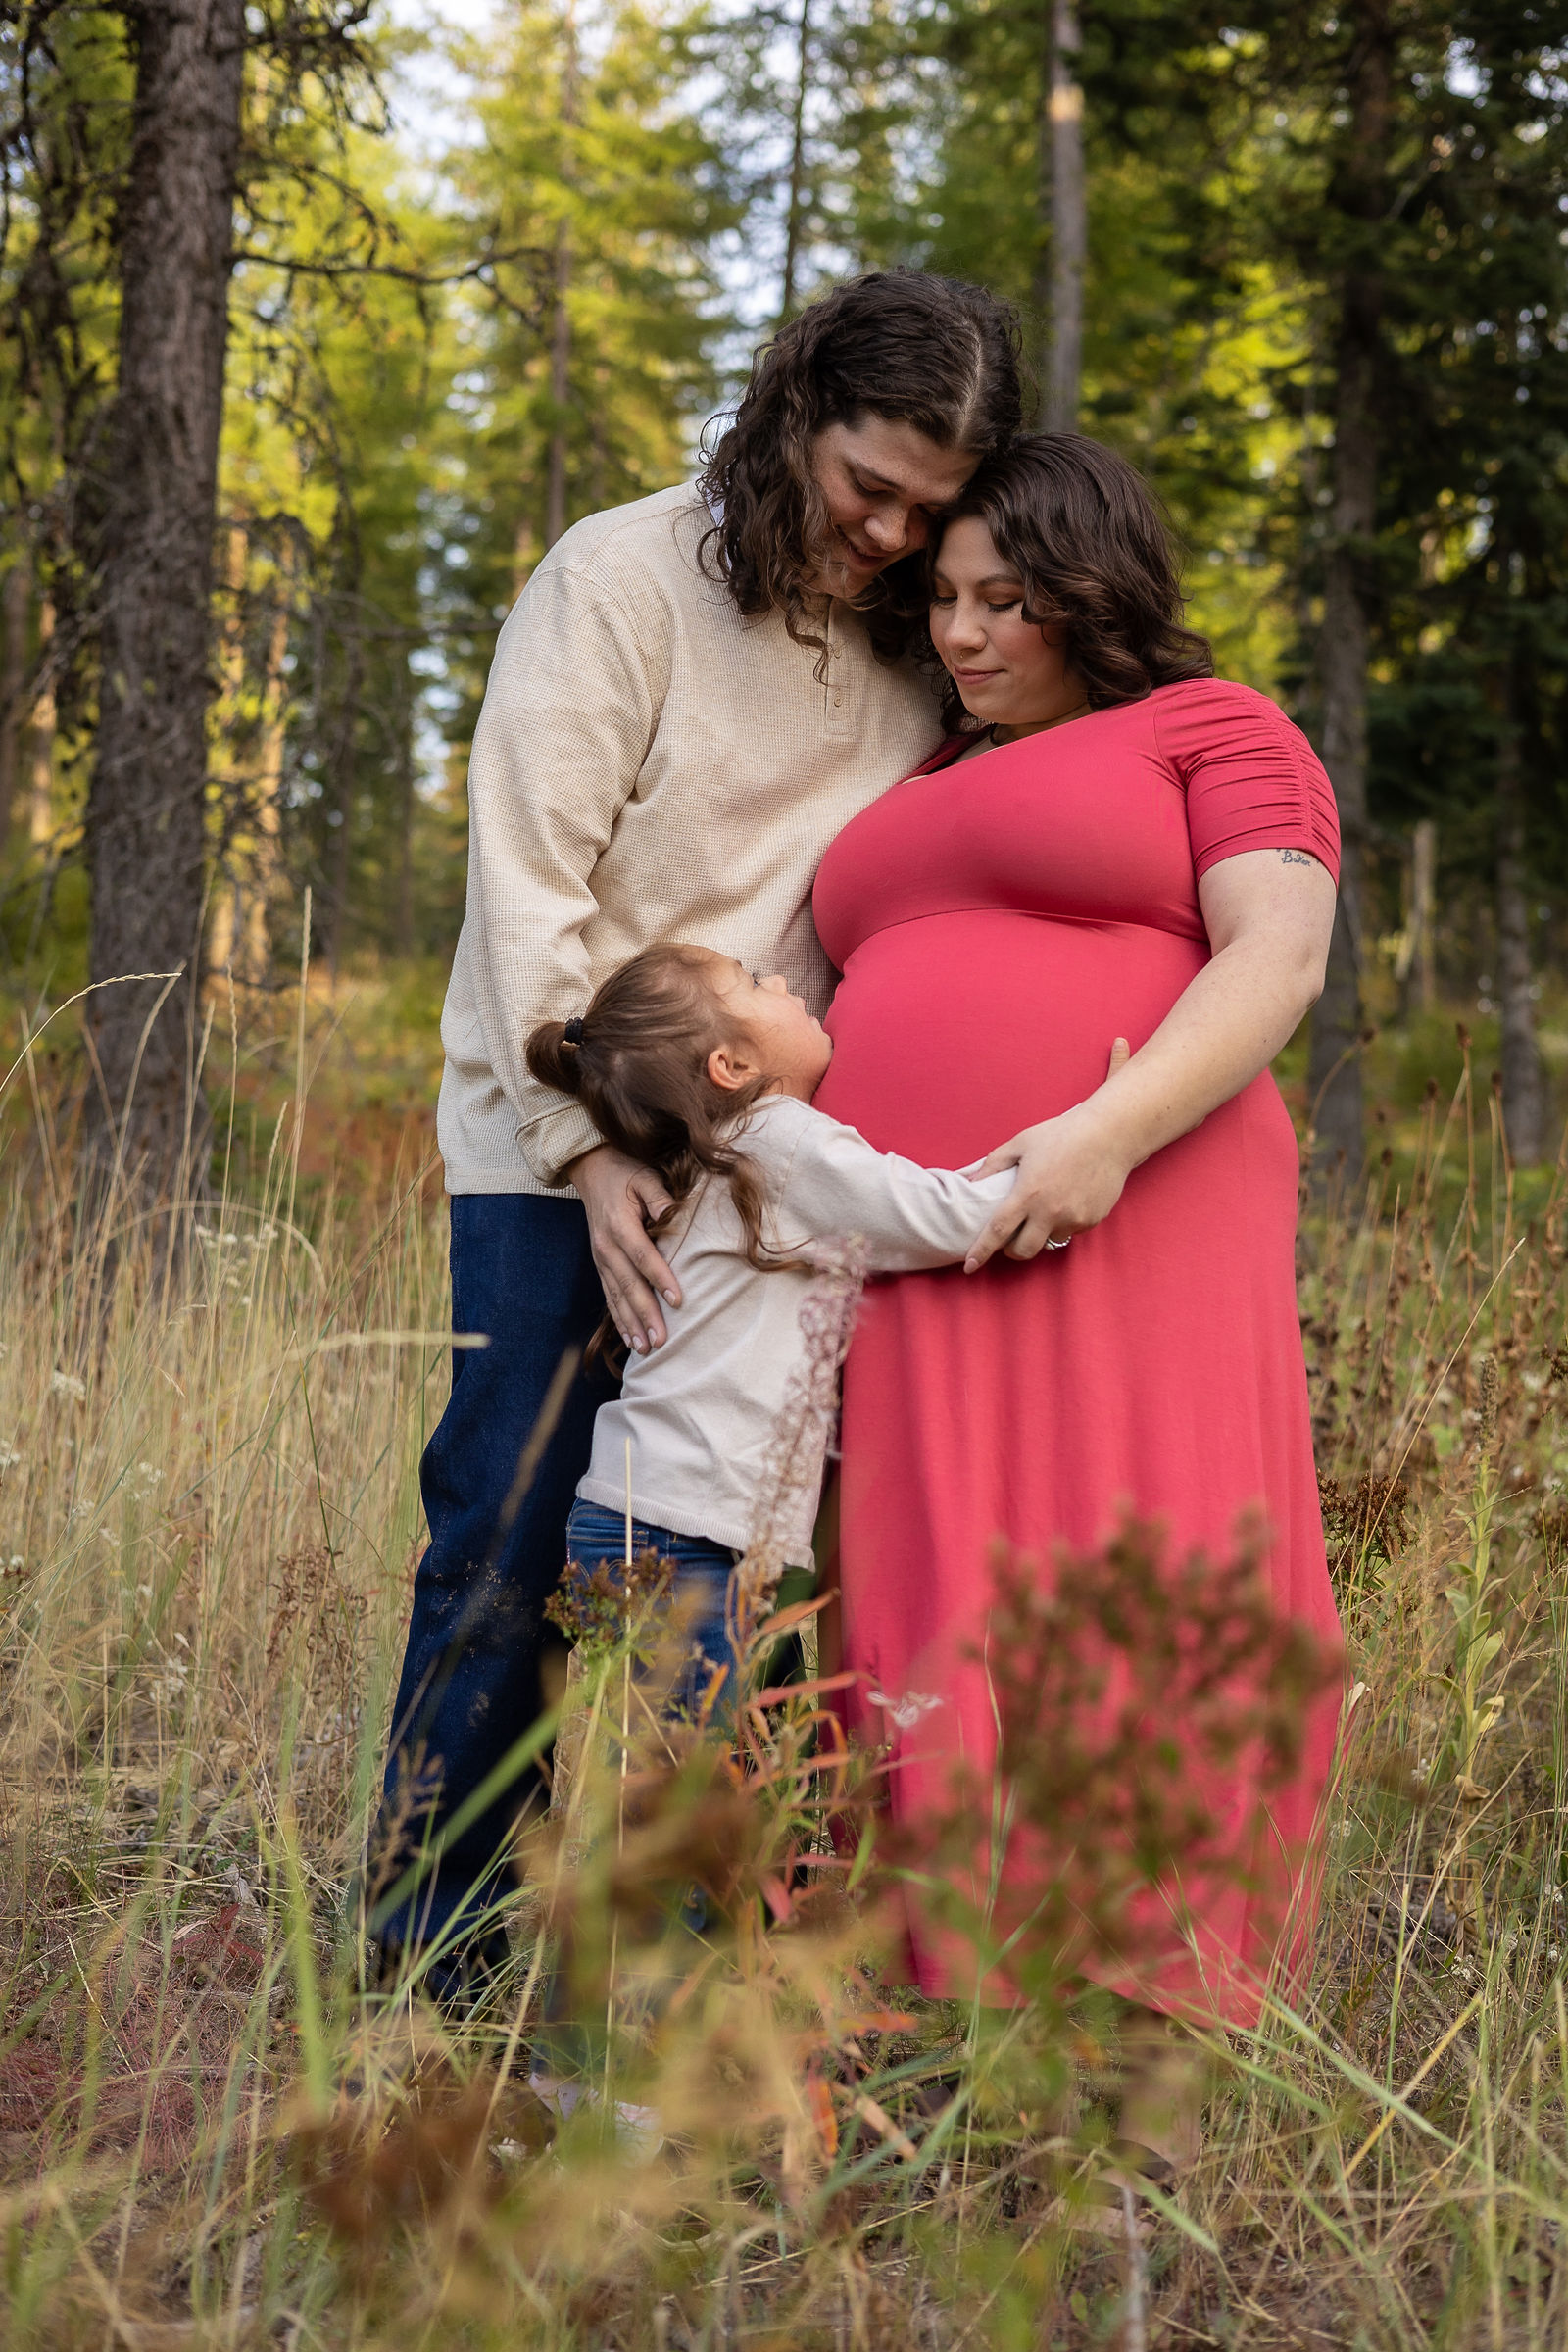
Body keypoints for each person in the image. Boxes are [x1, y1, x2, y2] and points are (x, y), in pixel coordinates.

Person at [372, 270, 1024, 1998]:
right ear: (794, 412)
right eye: (865, 485)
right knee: (505, 1546)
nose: (890, 532)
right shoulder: (620, 577)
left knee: (723, 1579)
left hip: (774, 1181)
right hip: (547, 1149)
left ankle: (710, 1985)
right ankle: (431, 1968)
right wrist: (589, 1151)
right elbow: (529, 882)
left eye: (929, 508)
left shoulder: (912, 654)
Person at [810, 433, 1345, 2177]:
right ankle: (923, 1975)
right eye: (946, 601)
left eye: (1004, 600)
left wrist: (1102, 1136)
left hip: (1139, 1193)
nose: (962, 634)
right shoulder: (912, 772)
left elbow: (1276, 955)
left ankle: (1159, 1998)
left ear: (1087, 588)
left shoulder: (1218, 729)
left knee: (1144, 1534)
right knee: (922, 1555)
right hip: (907, 1237)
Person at [523, 941, 1029, 1704]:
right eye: (755, 983)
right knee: (699, 1802)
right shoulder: (781, 1142)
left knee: (664, 1788)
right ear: (730, 1067)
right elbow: (937, 1215)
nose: (786, 982)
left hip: (626, 1522)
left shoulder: (709, 1159)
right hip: (682, 1542)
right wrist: (1076, 1160)